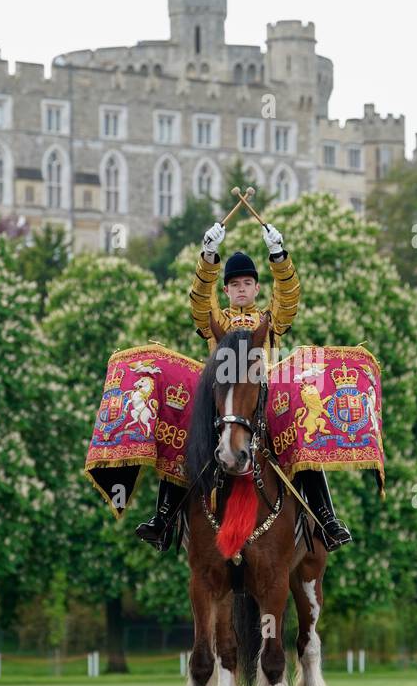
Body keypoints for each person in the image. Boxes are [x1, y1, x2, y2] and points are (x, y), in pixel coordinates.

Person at [135, 220, 353, 553]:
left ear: (256, 288)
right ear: (226, 290)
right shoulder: (217, 320)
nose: (241, 288)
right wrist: (208, 256)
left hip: (261, 401)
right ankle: (163, 518)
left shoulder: (270, 318)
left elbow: (289, 296)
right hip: (222, 403)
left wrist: (278, 256)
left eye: (247, 283)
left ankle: (327, 517)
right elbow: (198, 302)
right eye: (234, 284)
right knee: (181, 434)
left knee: (303, 436)